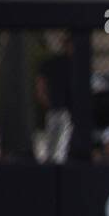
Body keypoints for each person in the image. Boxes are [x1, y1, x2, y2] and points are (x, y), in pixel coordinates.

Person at [36, 32, 72, 163]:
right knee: (55, 140)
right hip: (57, 107)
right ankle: (54, 163)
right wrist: (43, 96)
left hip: (65, 108)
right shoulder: (55, 63)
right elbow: (41, 81)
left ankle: (56, 162)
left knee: (60, 141)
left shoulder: (74, 63)